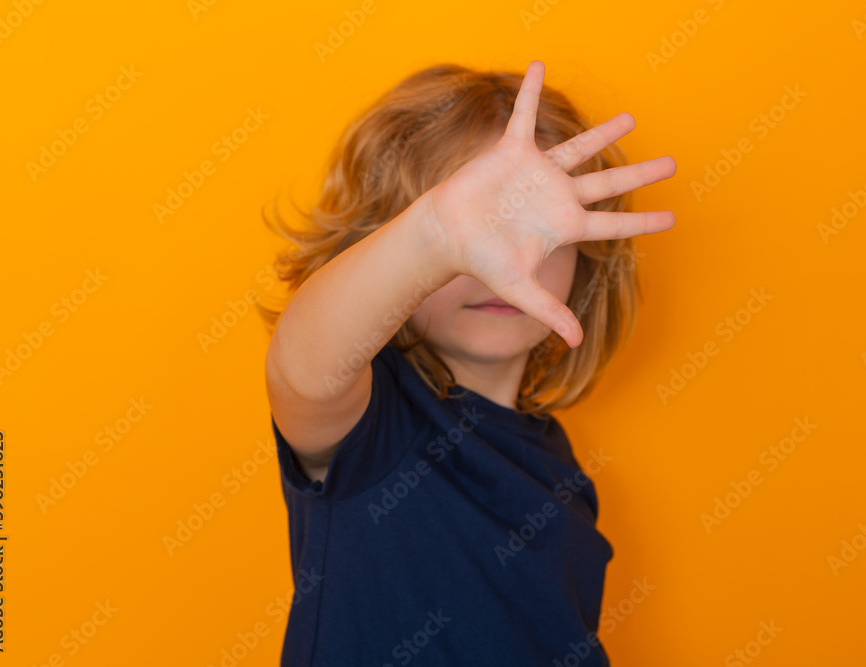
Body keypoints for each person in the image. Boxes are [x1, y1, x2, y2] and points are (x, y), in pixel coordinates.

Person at [259, 59, 677, 666]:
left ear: (586, 264)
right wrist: (433, 233)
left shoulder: (557, 463)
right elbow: (303, 367)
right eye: (473, 237)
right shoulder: (376, 425)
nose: (501, 263)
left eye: (538, 229)